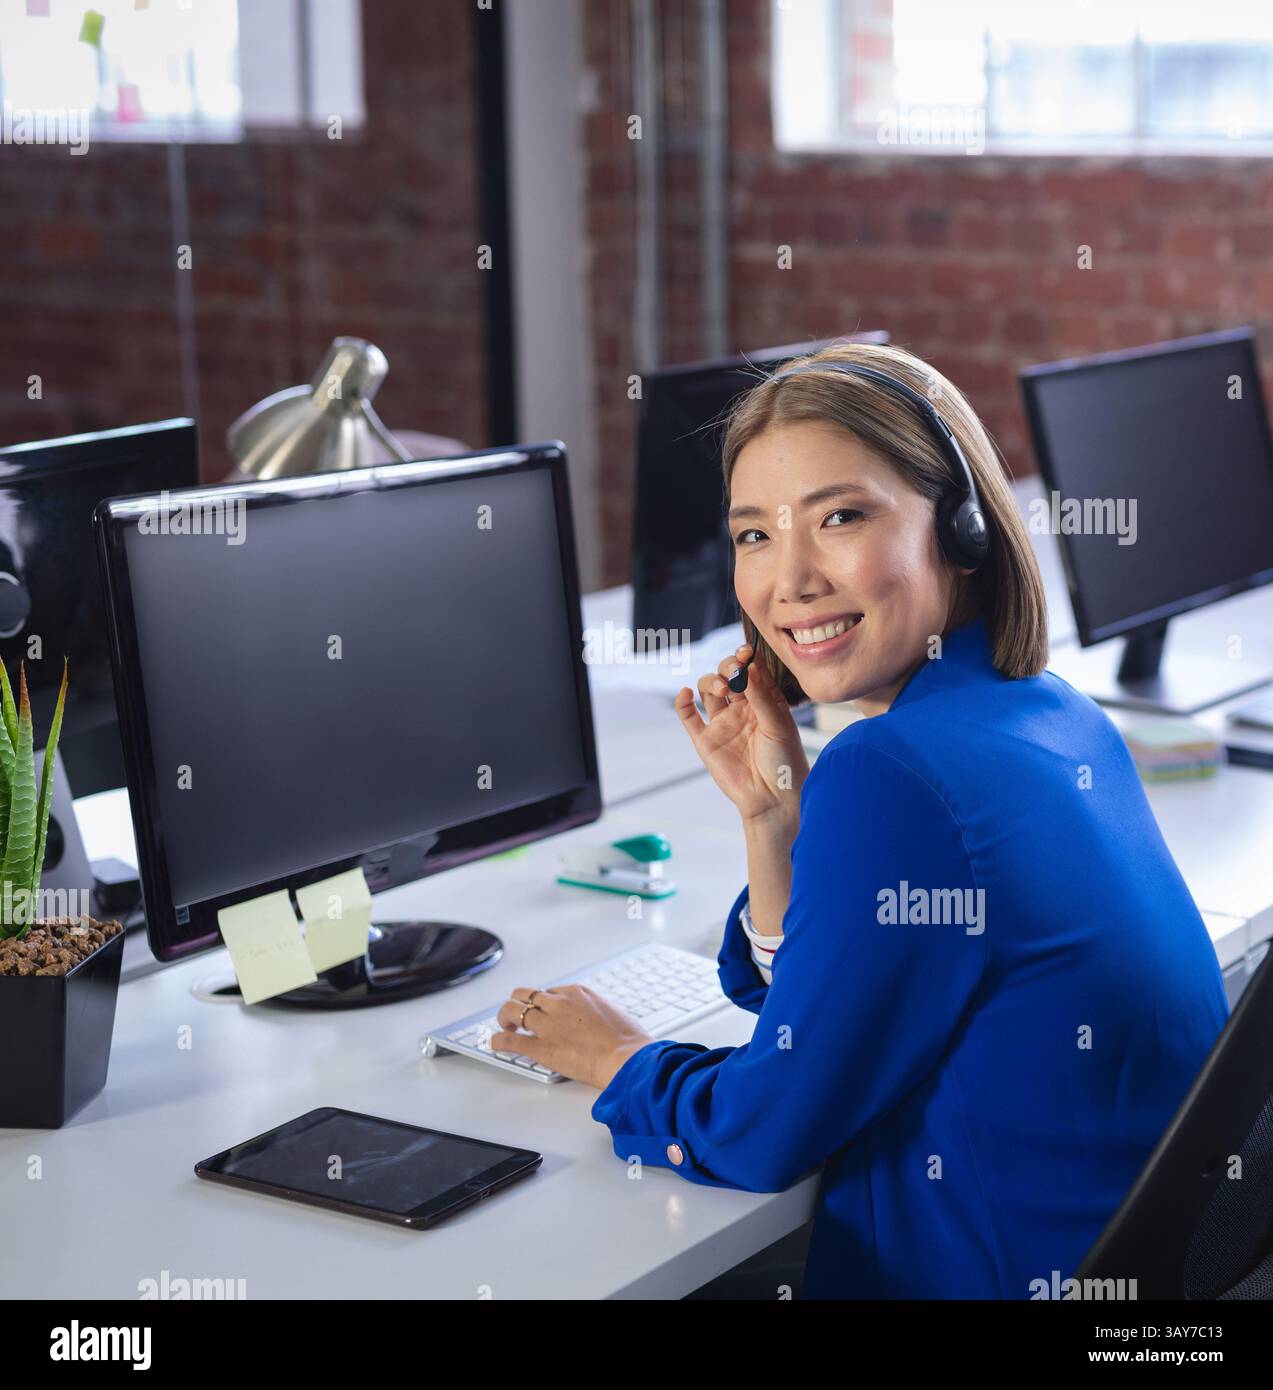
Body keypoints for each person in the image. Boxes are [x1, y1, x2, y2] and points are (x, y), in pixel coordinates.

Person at [490, 341, 1229, 1299]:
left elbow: (766, 1134)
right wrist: (773, 822)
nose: (788, 581)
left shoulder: (893, 770)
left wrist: (620, 1058)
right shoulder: (1051, 711)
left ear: (961, 533)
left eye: (840, 517)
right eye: (754, 534)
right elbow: (830, 1024)